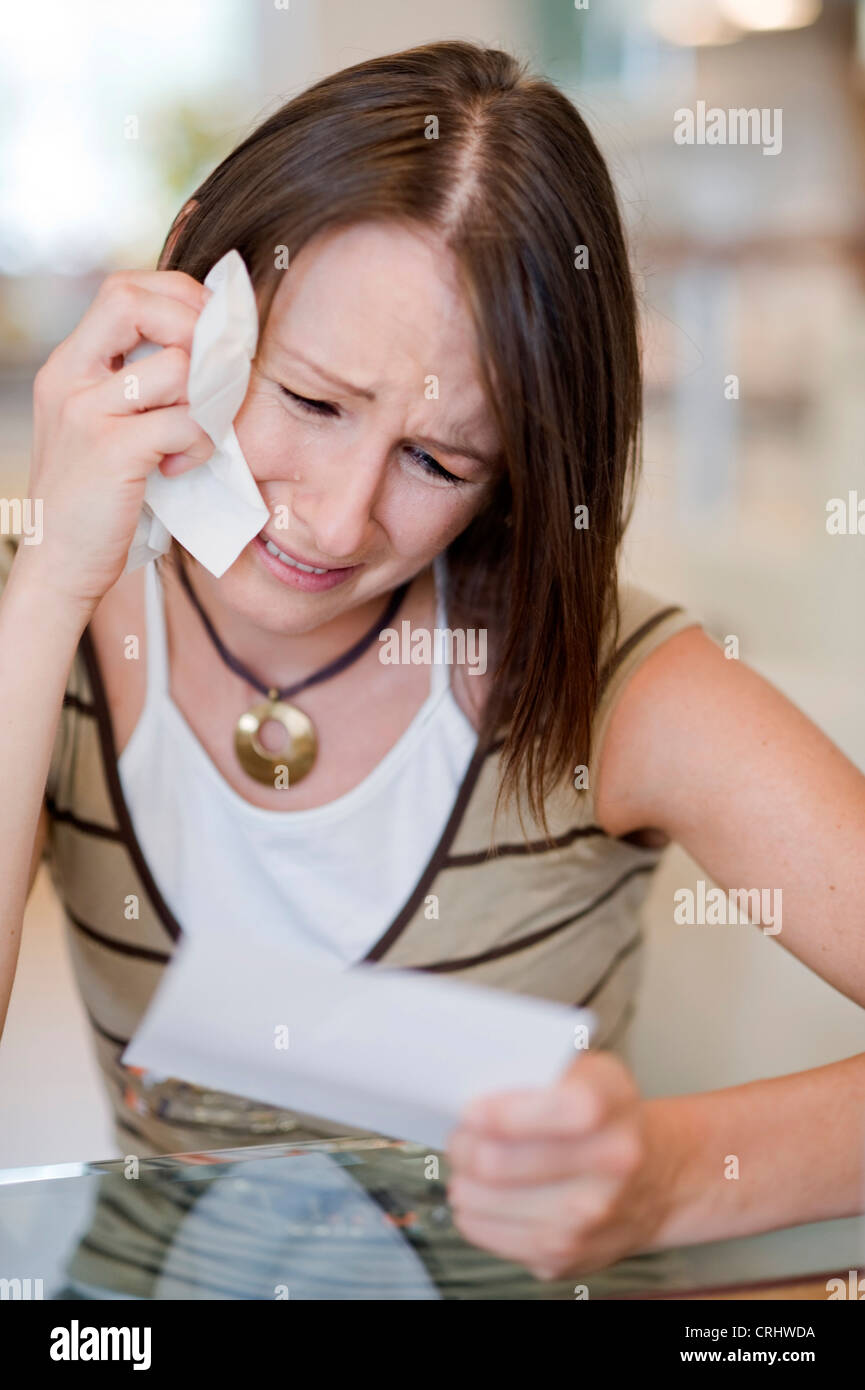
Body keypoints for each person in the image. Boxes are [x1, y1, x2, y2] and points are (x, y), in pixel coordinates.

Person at [1, 41, 863, 1288]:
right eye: (309, 400)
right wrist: (49, 587)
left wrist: (668, 1176)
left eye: (440, 462)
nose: (339, 521)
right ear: (196, 290)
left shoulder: (617, 685)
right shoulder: (45, 615)